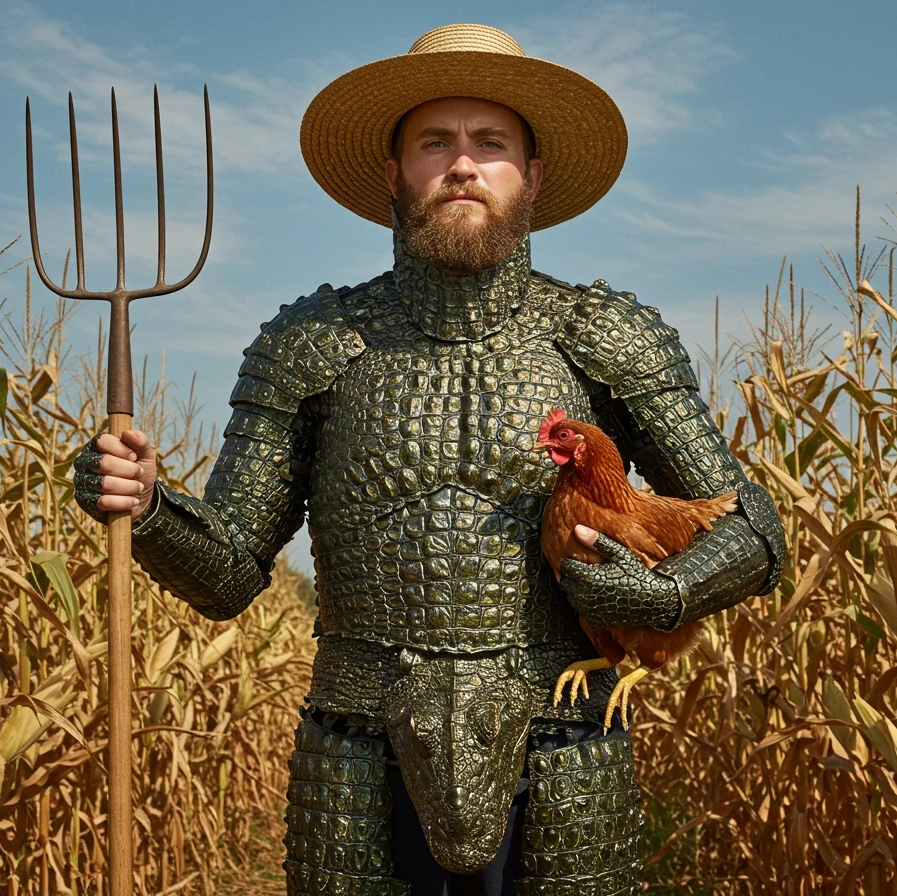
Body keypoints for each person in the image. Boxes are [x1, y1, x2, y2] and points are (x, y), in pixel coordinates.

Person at [71, 23, 786, 896]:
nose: (463, 165)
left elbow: (755, 530)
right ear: (393, 173)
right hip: (358, 753)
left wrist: (663, 596)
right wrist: (147, 507)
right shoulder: (311, 343)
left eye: (491, 143)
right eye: (435, 143)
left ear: (533, 175)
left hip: (563, 749)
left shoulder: (606, 336)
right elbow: (227, 575)